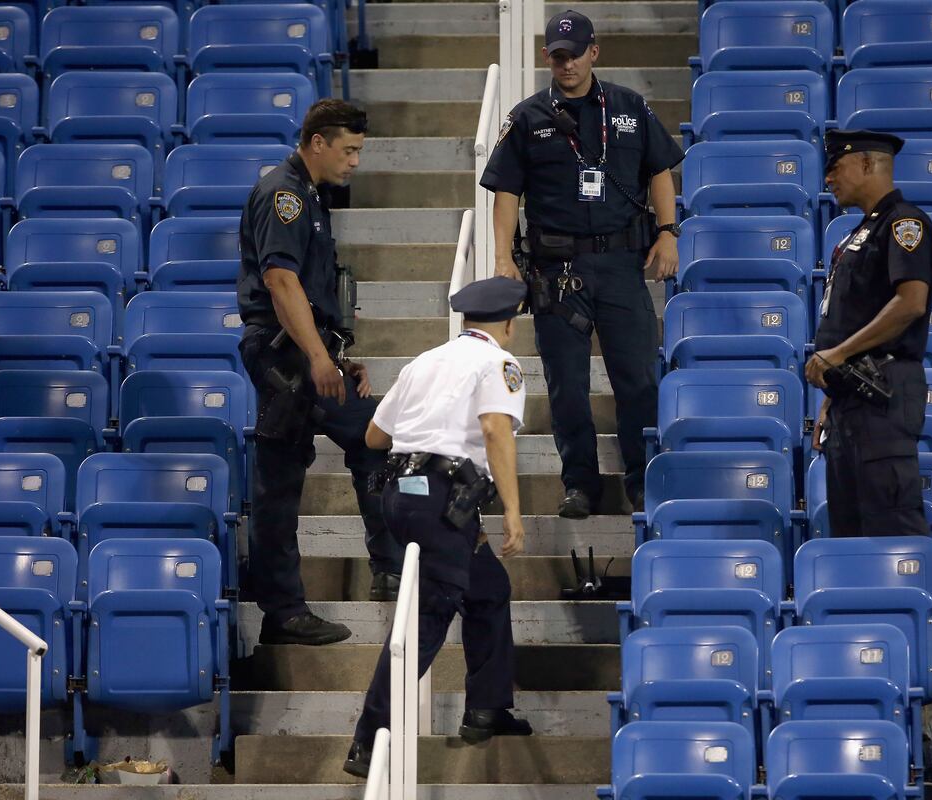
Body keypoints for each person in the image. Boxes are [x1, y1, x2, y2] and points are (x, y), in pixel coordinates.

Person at [479, 9, 685, 519]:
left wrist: (667, 232)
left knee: (637, 379)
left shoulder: (630, 108)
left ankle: (643, 479)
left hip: (620, 263)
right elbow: (505, 193)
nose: (566, 65)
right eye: (557, 56)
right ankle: (580, 485)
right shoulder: (528, 118)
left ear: (595, 52)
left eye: (575, 54)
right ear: (547, 57)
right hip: (556, 271)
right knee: (566, 385)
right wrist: (504, 258)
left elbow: (660, 170)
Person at [343, 276, 533, 776]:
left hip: (402, 496)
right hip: (441, 499)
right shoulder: (500, 363)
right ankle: (369, 739)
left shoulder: (423, 361)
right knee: (427, 617)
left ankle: (487, 707)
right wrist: (512, 511)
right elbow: (495, 430)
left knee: (488, 588)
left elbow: (374, 435)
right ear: (509, 324)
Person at [237, 98, 406, 647]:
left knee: (373, 437)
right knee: (280, 483)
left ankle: (388, 568)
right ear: (318, 143)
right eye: (349, 150)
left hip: (308, 352)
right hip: (287, 357)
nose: (355, 161)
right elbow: (281, 284)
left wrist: (336, 356)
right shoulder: (284, 195)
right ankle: (284, 611)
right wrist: (315, 358)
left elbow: (311, 291)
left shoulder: (309, 196)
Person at [805, 129, 932, 538]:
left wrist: (838, 354)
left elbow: (911, 302)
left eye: (836, 166)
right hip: (852, 394)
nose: (829, 177)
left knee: (890, 524)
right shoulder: (855, 234)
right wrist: (832, 395)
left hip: (883, 391)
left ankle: (907, 603)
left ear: (867, 163)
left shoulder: (904, 223)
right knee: (850, 530)